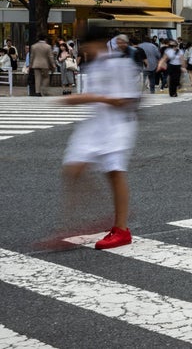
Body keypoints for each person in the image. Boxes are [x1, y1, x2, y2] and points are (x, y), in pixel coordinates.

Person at [56, 25, 143, 250]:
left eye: (87, 45)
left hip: (117, 125)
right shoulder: (93, 66)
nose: (85, 50)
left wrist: (89, 98)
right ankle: (85, 221)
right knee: (72, 169)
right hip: (96, 124)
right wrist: (86, 99)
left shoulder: (120, 65)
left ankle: (121, 228)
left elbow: (128, 100)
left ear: (100, 44)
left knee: (114, 173)